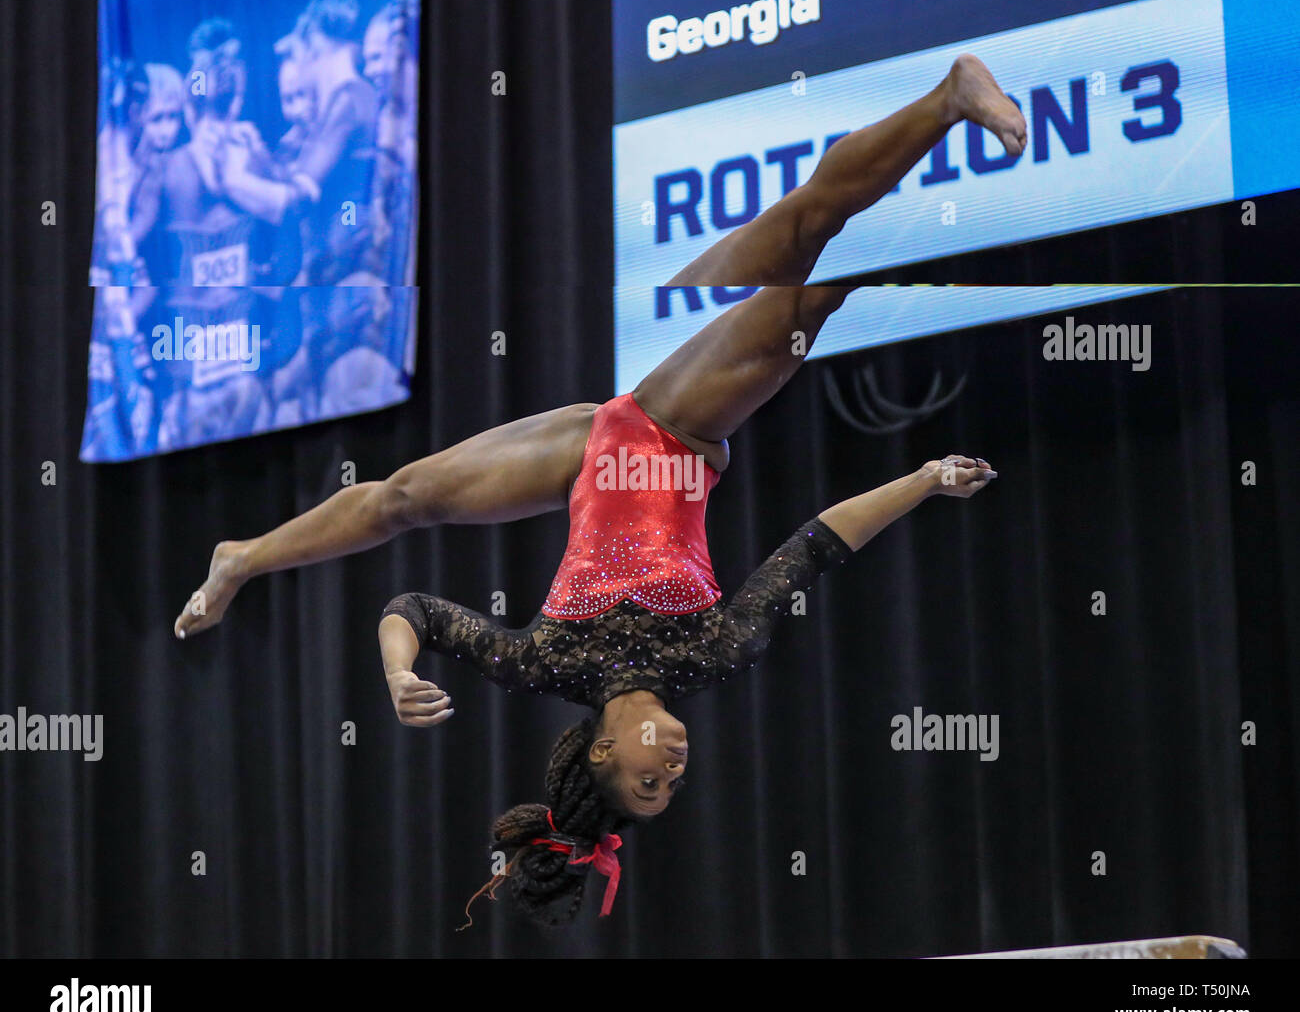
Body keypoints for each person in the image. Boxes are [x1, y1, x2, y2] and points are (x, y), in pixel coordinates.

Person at [172, 54, 1023, 925]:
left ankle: (240, 557)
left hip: (610, 434)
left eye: (647, 778)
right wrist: (921, 479)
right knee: (806, 274)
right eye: (670, 785)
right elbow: (814, 544)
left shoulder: (548, 661)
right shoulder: (713, 653)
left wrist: (396, 673)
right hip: (668, 427)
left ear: (604, 749)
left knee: (401, 500)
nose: (672, 767)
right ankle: (948, 120)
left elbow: (415, 609)